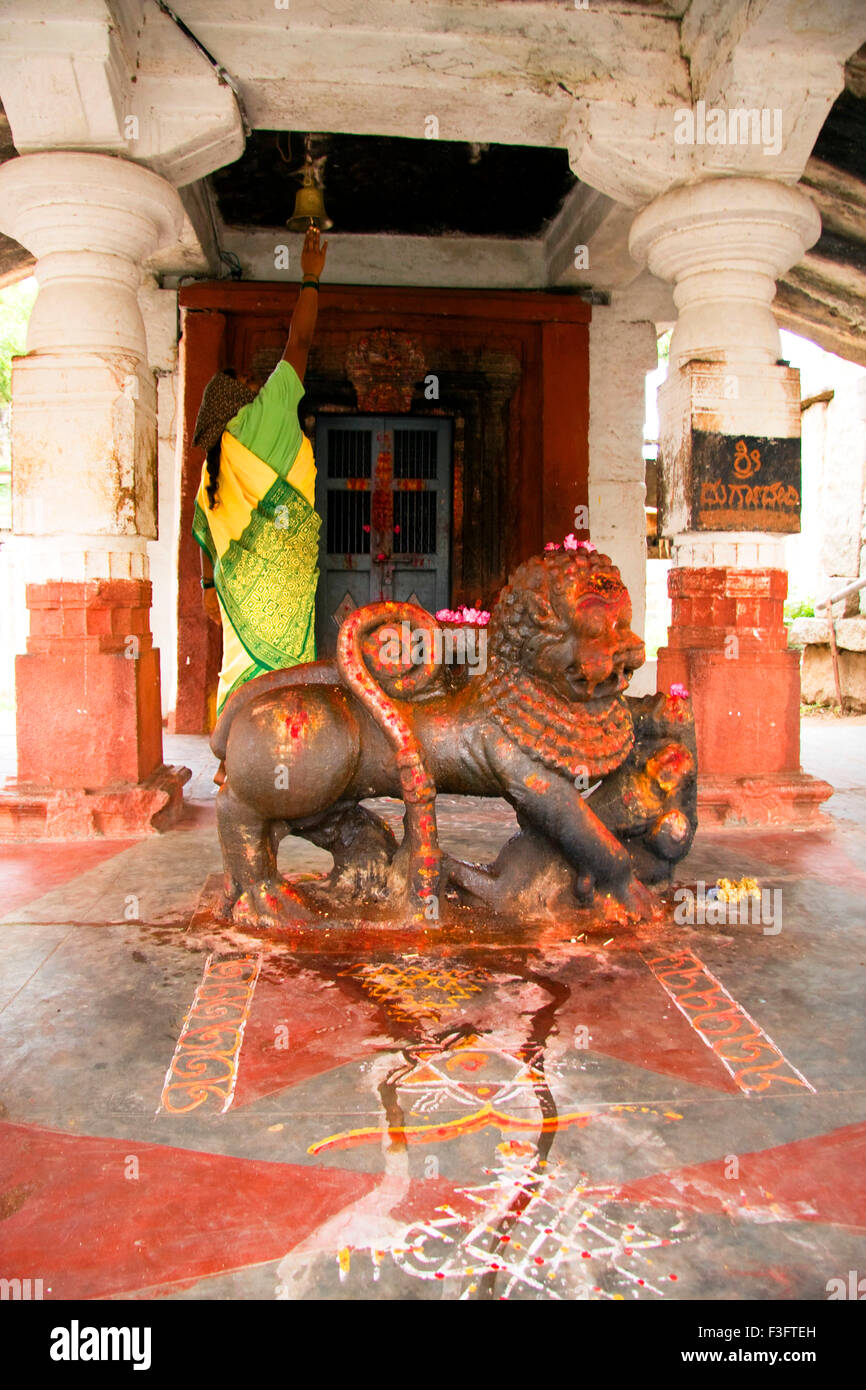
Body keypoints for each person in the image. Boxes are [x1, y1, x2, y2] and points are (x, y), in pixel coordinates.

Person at [192, 225, 329, 716]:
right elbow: (301, 340)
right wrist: (310, 277)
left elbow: (202, 539)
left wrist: (210, 588)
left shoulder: (214, 472)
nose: (257, 383)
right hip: (286, 582)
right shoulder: (262, 417)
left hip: (237, 593)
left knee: (240, 663)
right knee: (288, 672)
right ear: (236, 403)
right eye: (248, 383)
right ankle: (279, 753)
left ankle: (232, 754)